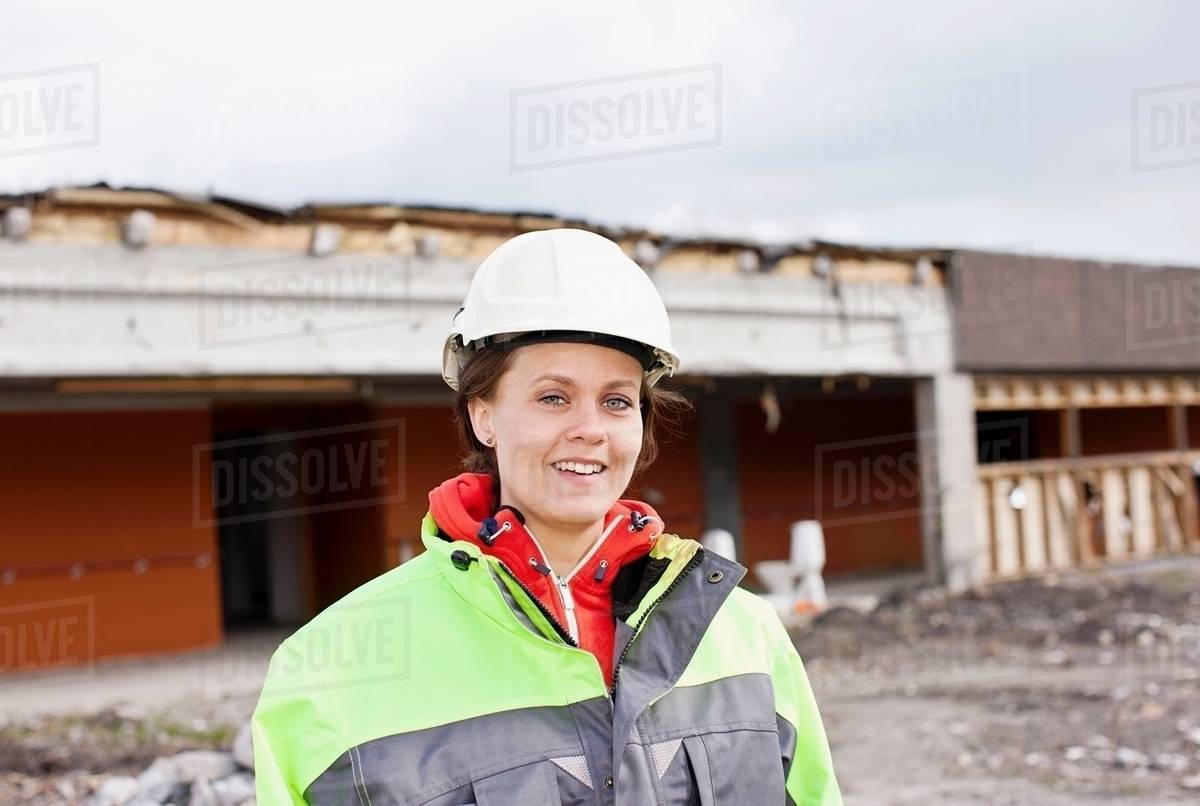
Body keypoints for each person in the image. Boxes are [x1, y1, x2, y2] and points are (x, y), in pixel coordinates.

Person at [252, 228, 843, 804]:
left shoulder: (744, 632)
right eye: (553, 397)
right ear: (483, 415)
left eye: (616, 401)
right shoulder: (331, 666)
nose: (589, 429)